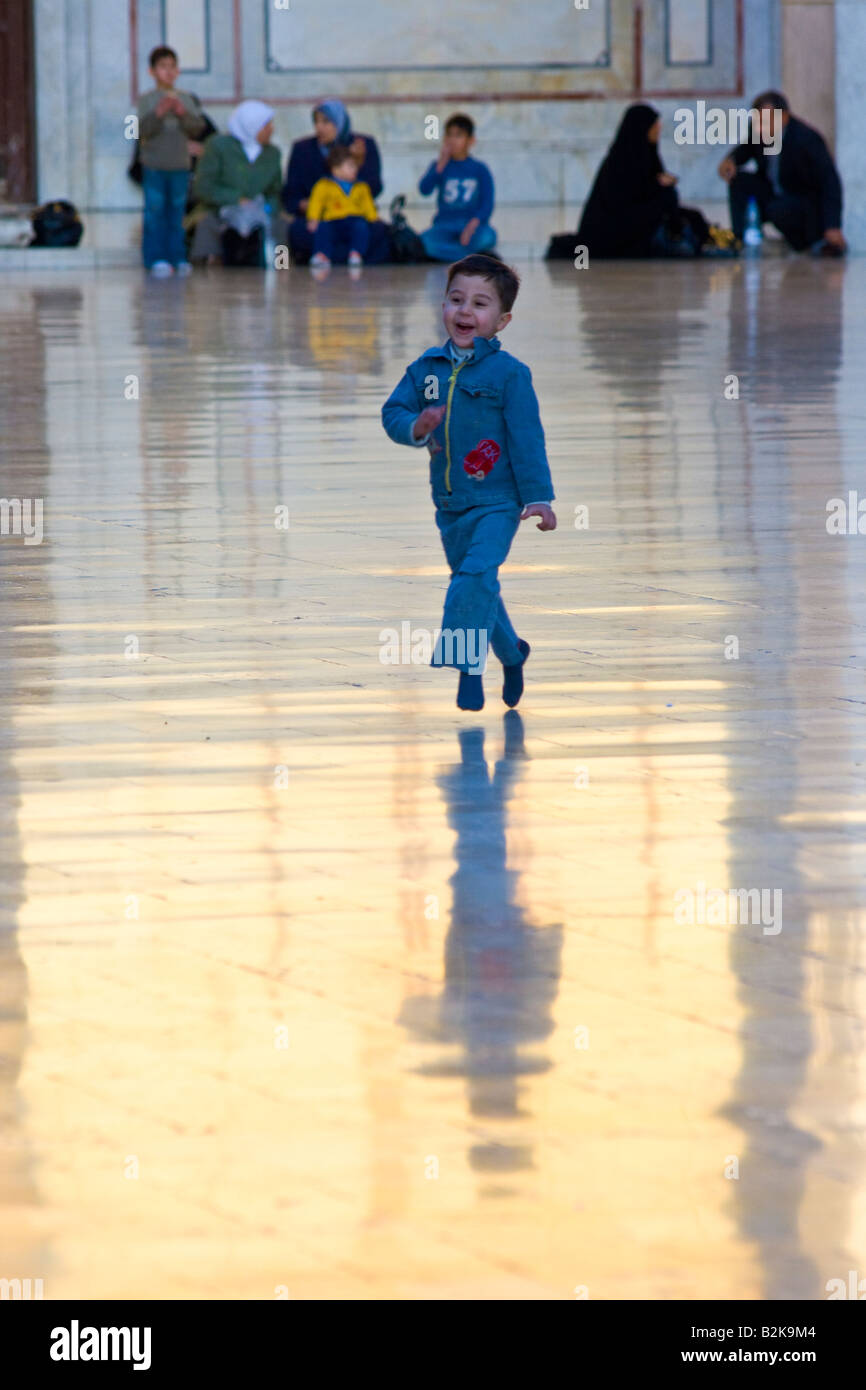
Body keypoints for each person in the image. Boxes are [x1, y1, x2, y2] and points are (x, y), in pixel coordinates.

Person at [381, 255, 556, 712]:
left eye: (479, 304)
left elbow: (527, 438)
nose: (464, 312)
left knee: (474, 576)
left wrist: (539, 497)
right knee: (477, 584)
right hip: (450, 503)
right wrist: (417, 426)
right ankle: (513, 653)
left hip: (499, 501)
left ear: (502, 320)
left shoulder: (510, 375)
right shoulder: (427, 369)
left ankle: (468, 668)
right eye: (456, 300)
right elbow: (393, 413)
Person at [718, 90, 845, 255]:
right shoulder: (760, 132)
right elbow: (745, 150)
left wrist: (832, 226)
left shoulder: (806, 139)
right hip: (773, 192)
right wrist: (730, 161)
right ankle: (742, 240)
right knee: (740, 182)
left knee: (778, 208)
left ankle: (803, 243)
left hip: (801, 201)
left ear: (784, 117)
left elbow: (830, 182)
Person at [576, 103, 711, 258]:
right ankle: (676, 238)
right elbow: (625, 198)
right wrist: (658, 185)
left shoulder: (647, 154)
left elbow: (647, 187)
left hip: (635, 215)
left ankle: (685, 237)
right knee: (667, 197)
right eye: (654, 124)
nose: (658, 128)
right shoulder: (619, 160)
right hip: (613, 225)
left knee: (692, 215)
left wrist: (660, 183)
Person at [282, 100, 390, 264]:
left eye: (326, 122)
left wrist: (358, 162)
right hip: (322, 219)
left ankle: (339, 255)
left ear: (340, 123)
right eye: (316, 122)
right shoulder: (302, 149)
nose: (319, 128)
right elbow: (291, 196)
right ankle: (345, 255)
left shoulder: (363, 145)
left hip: (355, 216)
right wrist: (308, 206)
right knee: (299, 231)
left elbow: (373, 189)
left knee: (377, 231)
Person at [137, 46, 206, 277]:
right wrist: (158, 113)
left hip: (180, 165)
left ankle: (178, 257)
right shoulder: (146, 100)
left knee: (177, 213)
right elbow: (140, 131)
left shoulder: (186, 99)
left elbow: (198, 128)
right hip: (155, 165)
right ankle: (155, 258)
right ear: (152, 71)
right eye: (162, 67)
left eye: (172, 67)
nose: (168, 72)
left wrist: (181, 112)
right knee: (155, 212)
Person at [189, 100, 282, 265]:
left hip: (259, 211)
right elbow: (203, 187)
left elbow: (274, 191)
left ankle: (281, 265)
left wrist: (266, 208)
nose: (271, 130)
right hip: (219, 209)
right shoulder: (218, 146)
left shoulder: (272, 154)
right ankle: (208, 270)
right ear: (251, 126)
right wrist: (235, 199)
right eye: (266, 125)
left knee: (280, 226)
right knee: (207, 224)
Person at [418, 114, 497, 262]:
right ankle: (468, 257)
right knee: (424, 241)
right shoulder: (439, 166)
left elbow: (487, 205)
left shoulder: (480, 169)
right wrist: (440, 165)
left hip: (471, 225)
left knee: (488, 237)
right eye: (449, 135)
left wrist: (471, 226)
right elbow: (424, 189)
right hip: (444, 224)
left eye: (459, 136)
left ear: (471, 140)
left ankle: (450, 255)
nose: (452, 141)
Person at [307, 146, 379, 268]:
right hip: (333, 219)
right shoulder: (324, 185)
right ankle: (322, 254)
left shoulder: (361, 186)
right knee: (323, 228)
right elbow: (316, 202)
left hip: (355, 218)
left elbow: (368, 204)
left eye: (355, 166)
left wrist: (373, 218)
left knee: (361, 228)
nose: (354, 169)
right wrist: (313, 218)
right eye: (350, 166)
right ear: (336, 169)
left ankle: (356, 253)